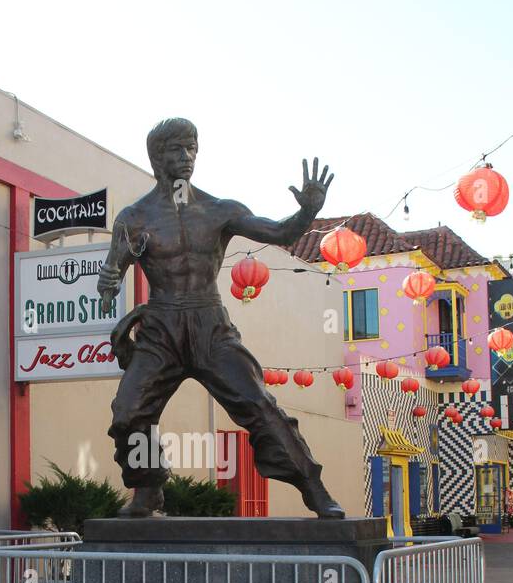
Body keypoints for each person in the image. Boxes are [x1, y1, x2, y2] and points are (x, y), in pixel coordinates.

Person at [97, 117, 344, 518]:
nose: (187, 156)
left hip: (209, 323)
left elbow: (277, 232)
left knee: (258, 404)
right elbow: (113, 275)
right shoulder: (134, 217)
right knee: (128, 412)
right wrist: (108, 284)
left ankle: (315, 490)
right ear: (157, 156)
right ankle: (148, 490)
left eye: (192, 147)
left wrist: (306, 214)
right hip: (161, 327)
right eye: (177, 148)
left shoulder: (218, 210)